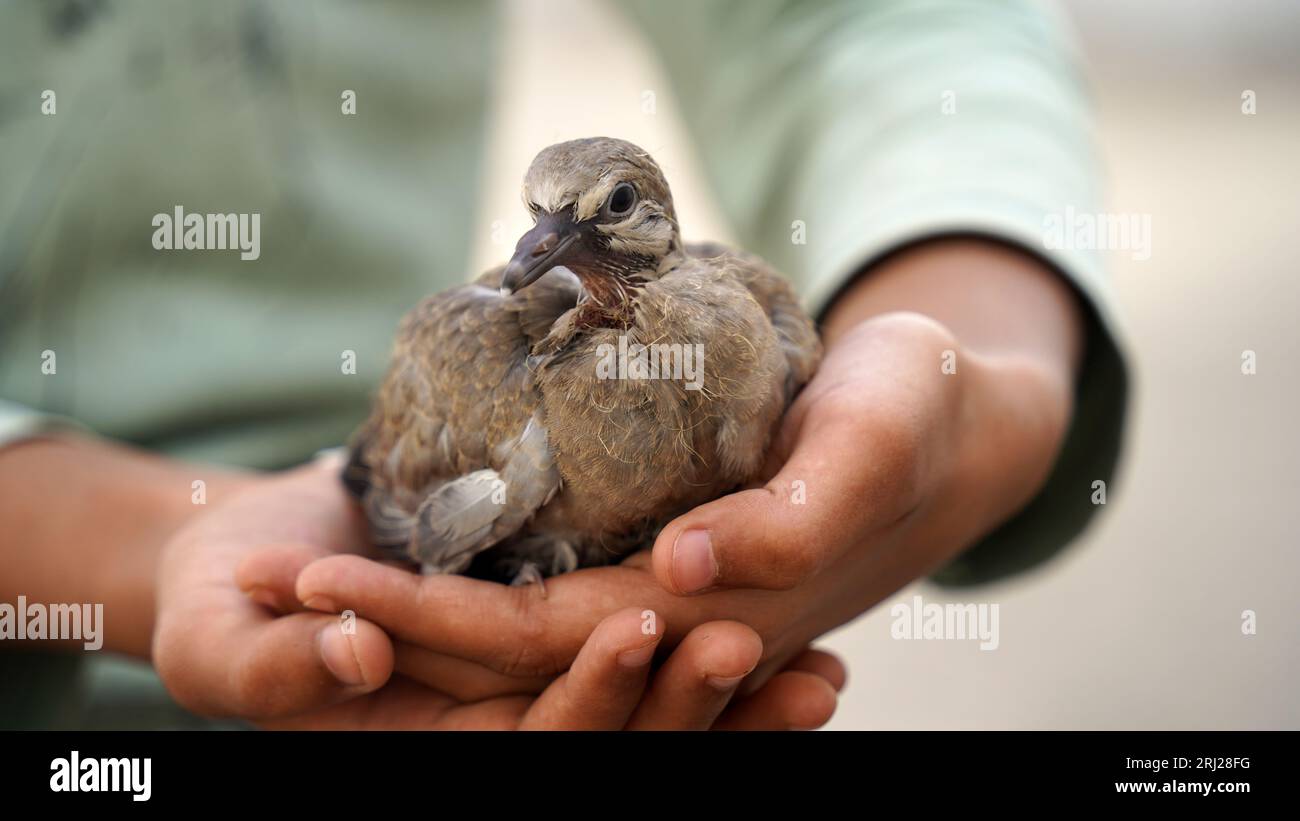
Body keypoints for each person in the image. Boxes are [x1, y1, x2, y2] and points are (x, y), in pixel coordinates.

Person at [0, 0, 1126, 729]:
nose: (549, 242)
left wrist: (981, 369)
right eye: (547, 222)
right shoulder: (505, 393)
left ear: (656, 214)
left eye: (607, 212)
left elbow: (863, 23)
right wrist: (130, 549)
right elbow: (395, 507)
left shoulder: (757, 323)